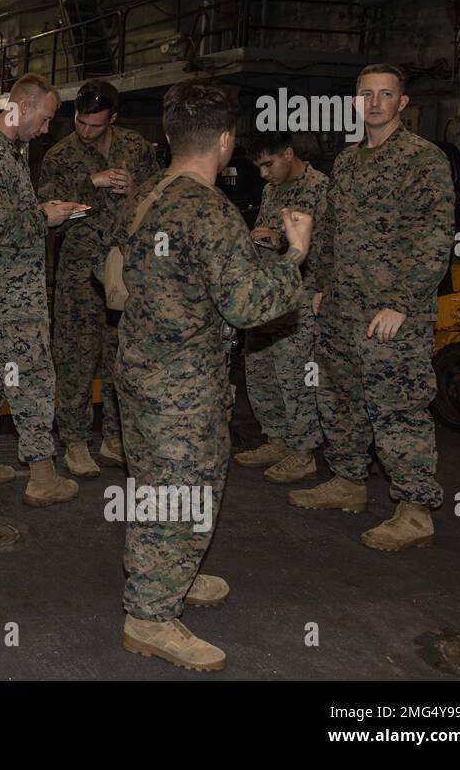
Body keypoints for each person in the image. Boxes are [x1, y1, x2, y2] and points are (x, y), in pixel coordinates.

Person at [109, 79, 311, 670]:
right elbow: (249, 305)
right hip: (182, 388)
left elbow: (119, 272)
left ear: (169, 135)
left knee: (158, 485)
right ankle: (150, 616)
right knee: (180, 493)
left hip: (142, 371)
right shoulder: (207, 208)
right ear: (225, 140)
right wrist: (294, 254)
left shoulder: (149, 194)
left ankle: (169, 574)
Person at [289, 64, 453, 551]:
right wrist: (318, 283)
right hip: (342, 306)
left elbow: (435, 238)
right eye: (367, 95)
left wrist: (402, 302)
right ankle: (348, 481)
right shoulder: (347, 161)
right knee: (339, 397)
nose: (376, 102)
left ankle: (415, 508)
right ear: (356, 103)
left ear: (403, 103)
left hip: (392, 311)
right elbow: (331, 229)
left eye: (387, 95)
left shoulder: (424, 160)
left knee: (397, 406)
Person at [0, 73, 88, 507]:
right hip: (7, 290)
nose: (47, 129)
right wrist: (44, 218)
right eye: (46, 119)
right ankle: (42, 475)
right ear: (23, 108)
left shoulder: (3, 151)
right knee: (30, 374)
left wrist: (43, 210)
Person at [39, 80, 161, 476]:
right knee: (75, 357)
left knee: (120, 356)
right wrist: (90, 183)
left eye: (95, 124)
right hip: (79, 272)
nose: (85, 130)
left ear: (113, 119)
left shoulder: (137, 148)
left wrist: (136, 189)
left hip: (124, 270)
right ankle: (75, 441)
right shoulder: (60, 155)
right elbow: (46, 211)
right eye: (79, 121)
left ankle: (114, 437)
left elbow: (161, 198)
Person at [233, 129, 329, 483]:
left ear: (289, 154)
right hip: (268, 295)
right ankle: (275, 438)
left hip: (300, 297)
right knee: (259, 369)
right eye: (258, 167)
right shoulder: (272, 189)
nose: (263, 173)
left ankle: (302, 451)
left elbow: (329, 246)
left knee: (295, 375)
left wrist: (284, 242)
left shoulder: (320, 189)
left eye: (268, 164)